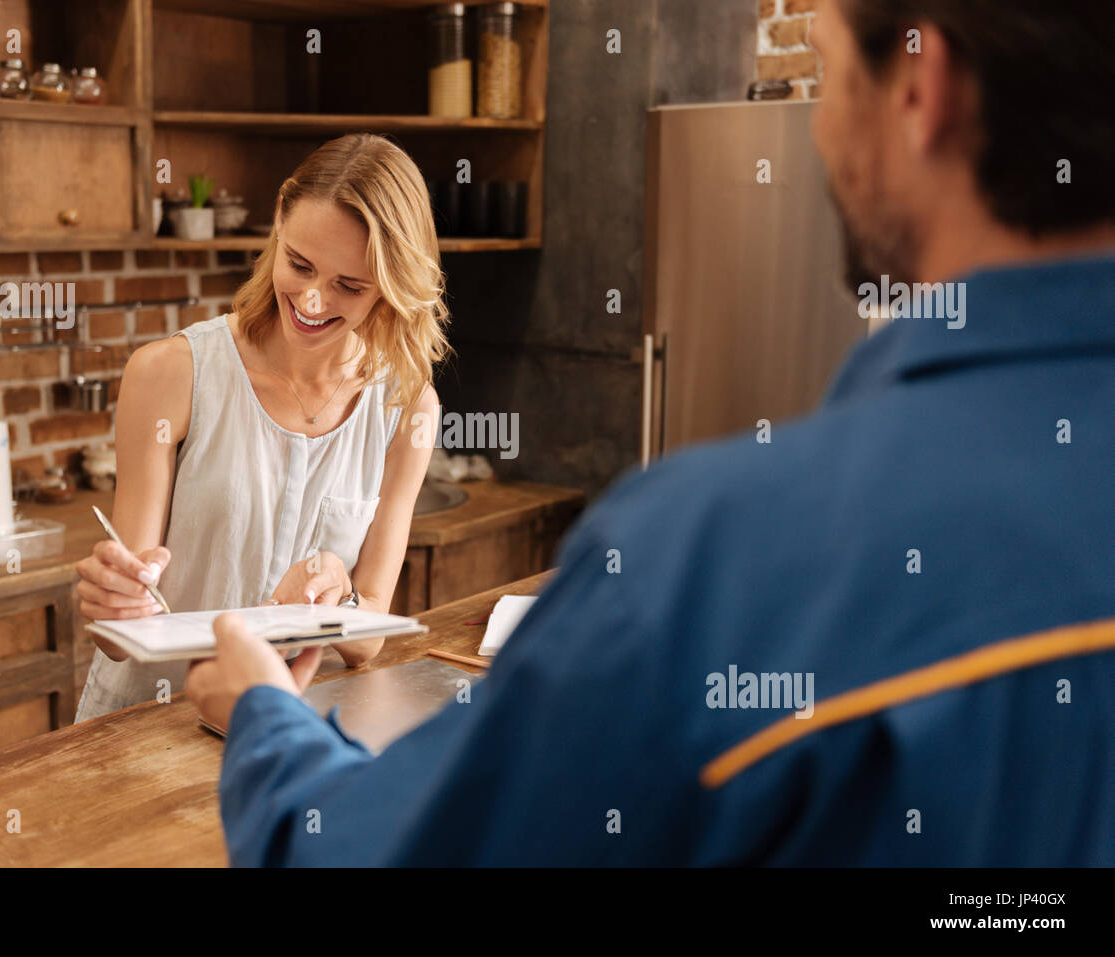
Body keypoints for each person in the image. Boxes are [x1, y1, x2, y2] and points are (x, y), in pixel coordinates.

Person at [187, 0, 1115, 864]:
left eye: (828, 72)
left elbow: (382, 849)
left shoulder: (714, 560)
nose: (822, 130)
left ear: (921, 92)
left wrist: (267, 720)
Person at [74, 134, 448, 721]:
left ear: (393, 289)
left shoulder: (406, 409)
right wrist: (114, 601)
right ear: (278, 222)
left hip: (287, 730)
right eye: (299, 264)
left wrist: (339, 599)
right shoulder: (170, 374)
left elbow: (367, 637)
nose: (313, 299)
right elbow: (116, 634)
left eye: (350, 286)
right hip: (145, 725)